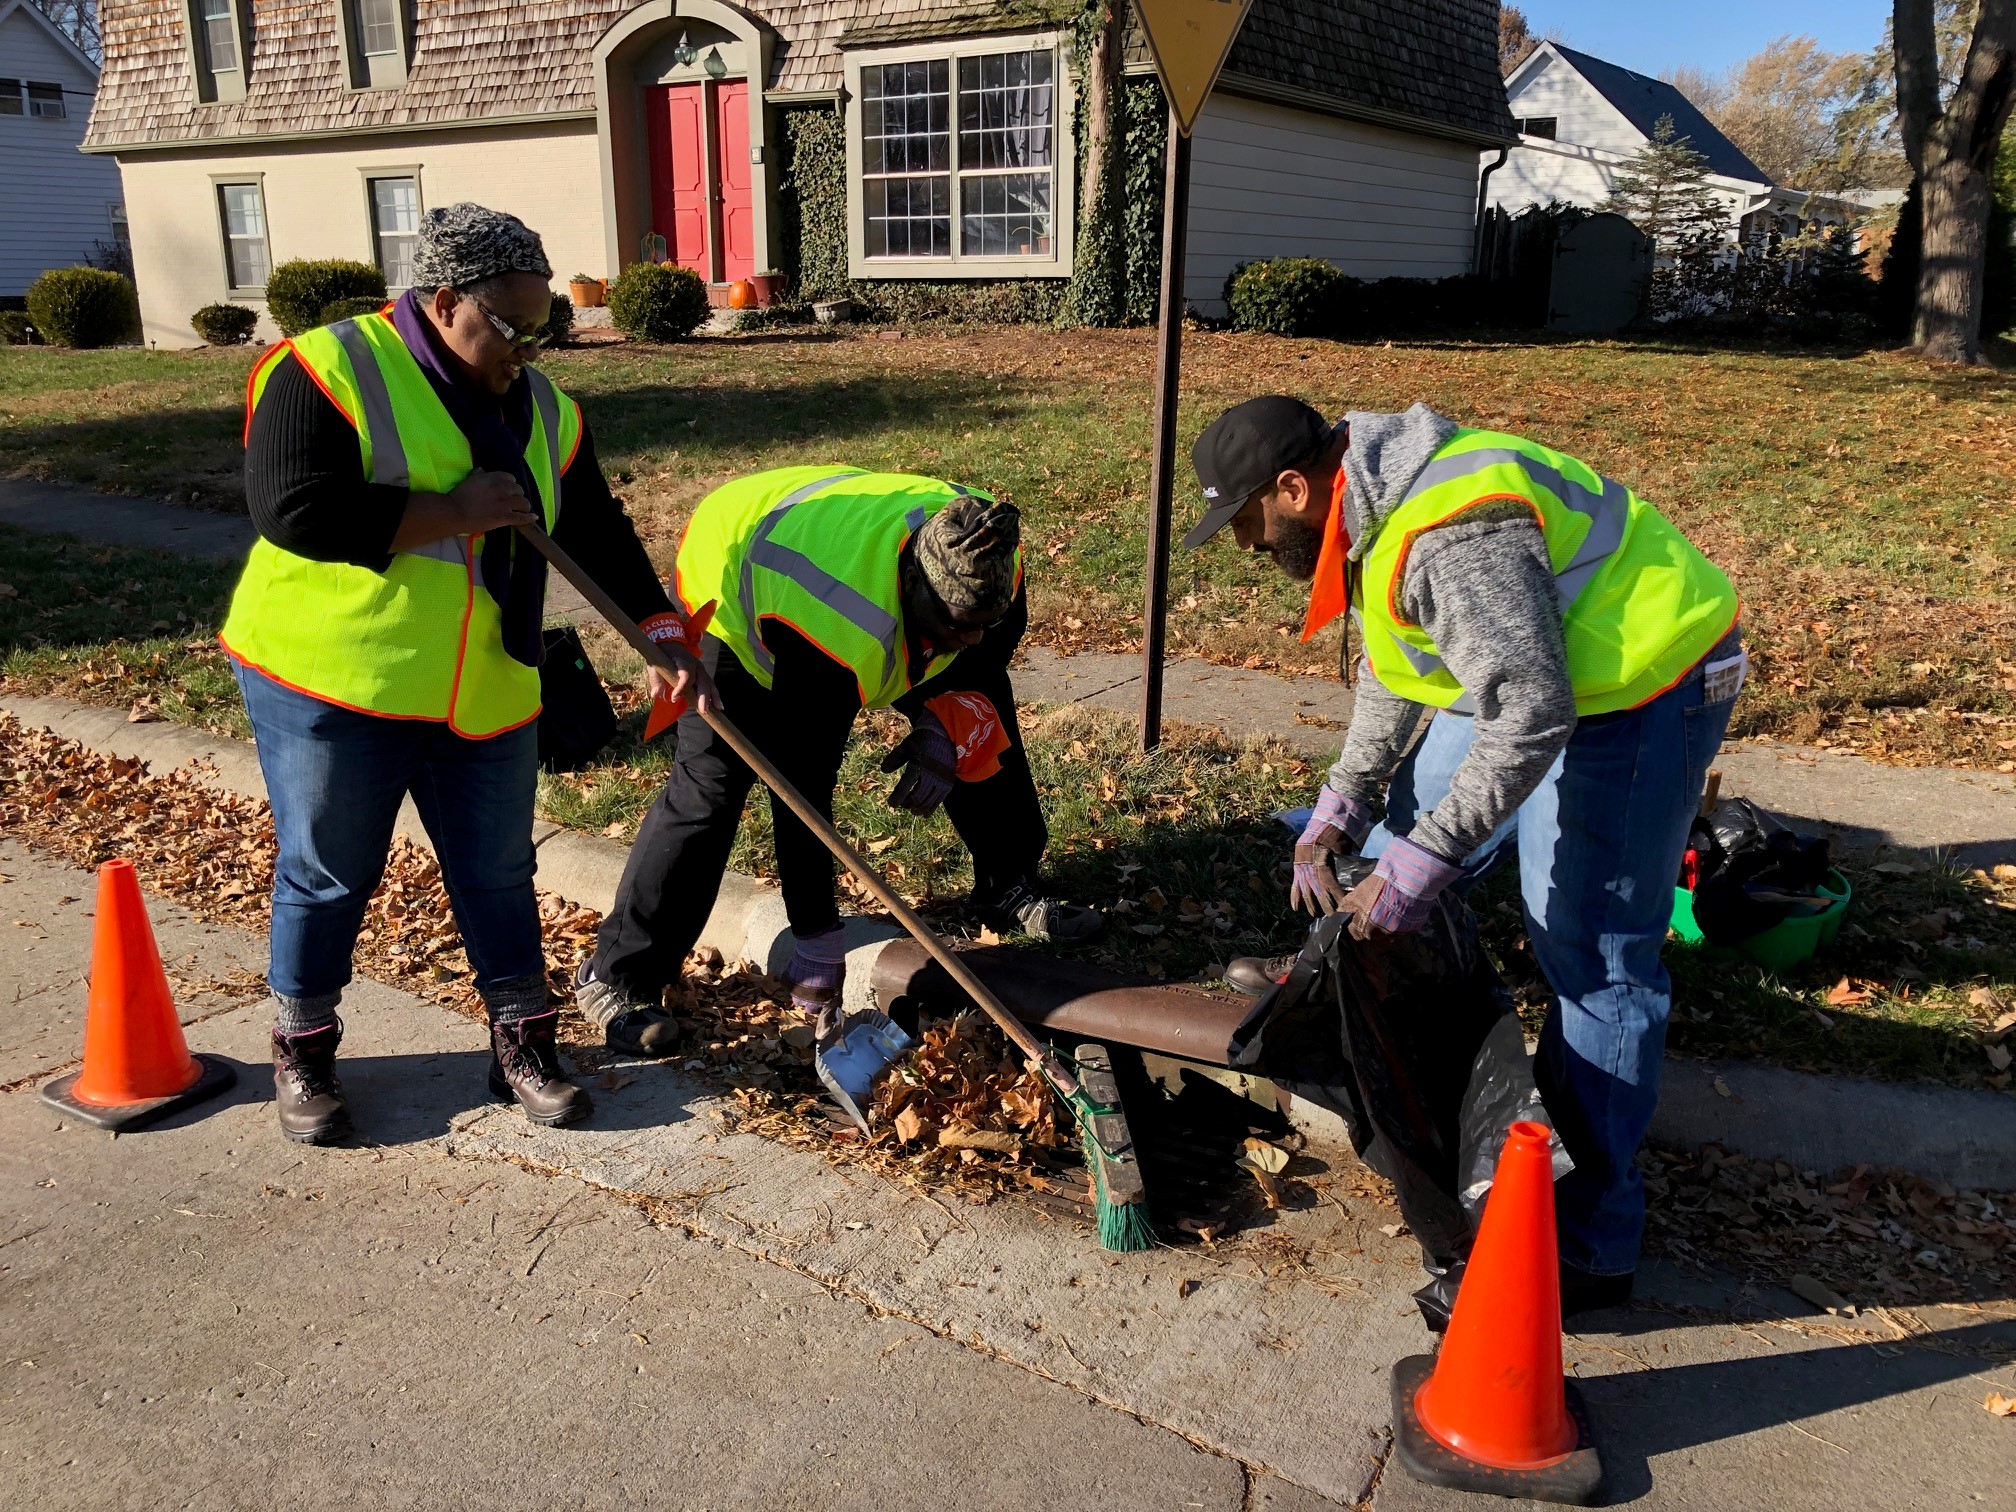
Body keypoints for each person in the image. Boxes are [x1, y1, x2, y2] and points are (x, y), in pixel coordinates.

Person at [1189, 396, 1744, 1315]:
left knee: (1593, 954)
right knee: (1405, 824)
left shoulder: (1451, 531)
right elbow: (1396, 674)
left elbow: (1530, 713)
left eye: (1248, 520)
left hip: (1646, 682)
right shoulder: (1370, 512)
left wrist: (1428, 855)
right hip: (1542, 669)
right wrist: (1345, 800)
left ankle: (1585, 1240)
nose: (1248, 544)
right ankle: (1356, 973)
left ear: (1294, 487)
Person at [221, 203, 714, 1145]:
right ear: (445, 301)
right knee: (328, 875)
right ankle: (305, 1051)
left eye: (543, 324)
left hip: (484, 683)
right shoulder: (326, 368)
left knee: (497, 871)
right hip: (337, 682)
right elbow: (291, 508)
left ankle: (522, 1046)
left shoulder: (547, 406)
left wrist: (658, 631)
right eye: (511, 324)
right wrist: (448, 512)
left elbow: (593, 525)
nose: (527, 345)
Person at [574, 469, 1102, 1043]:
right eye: (956, 625)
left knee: (982, 719)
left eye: (985, 622)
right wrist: (817, 935)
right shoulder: (834, 627)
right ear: (914, 587)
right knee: (714, 781)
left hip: (834, 532)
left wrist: (951, 717)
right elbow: (800, 791)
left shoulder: (991, 554)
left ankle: (1008, 885)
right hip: (737, 570)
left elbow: (983, 656)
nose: (972, 637)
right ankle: (618, 978)